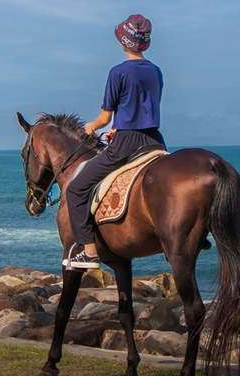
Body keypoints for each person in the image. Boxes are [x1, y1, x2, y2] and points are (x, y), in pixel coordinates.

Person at [63, 14, 165, 270]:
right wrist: (117, 128)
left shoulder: (118, 72)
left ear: (123, 42)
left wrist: (92, 127)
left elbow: (105, 116)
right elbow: (144, 108)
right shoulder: (156, 71)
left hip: (127, 143)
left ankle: (88, 251)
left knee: (76, 188)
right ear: (146, 44)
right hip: (154, 140)